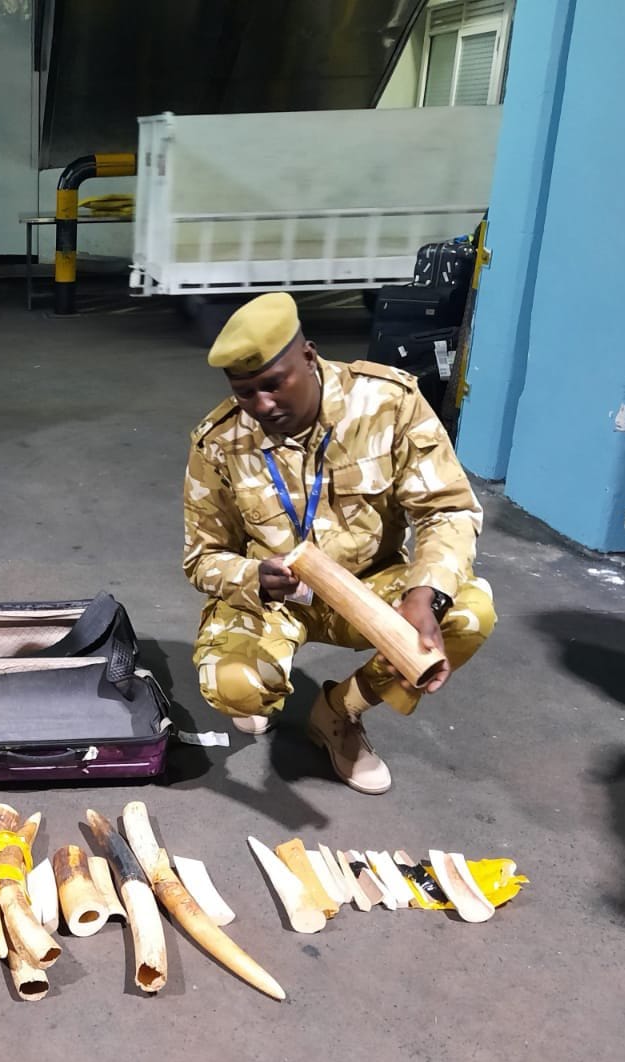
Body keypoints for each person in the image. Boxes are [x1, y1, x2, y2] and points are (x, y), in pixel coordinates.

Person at [184, 292, 496, 794]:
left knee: (466, 614)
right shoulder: (219, 441)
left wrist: (425, 593)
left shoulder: (387, 404)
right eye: (245, 392)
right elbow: (202, 558)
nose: (262, 405)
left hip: (368, 589)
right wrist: (252, 577)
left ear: (308, 356)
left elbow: (447, 509)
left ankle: (338, 713)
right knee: (234, 685)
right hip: (277, 600)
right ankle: (264, 685)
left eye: (273, 384)